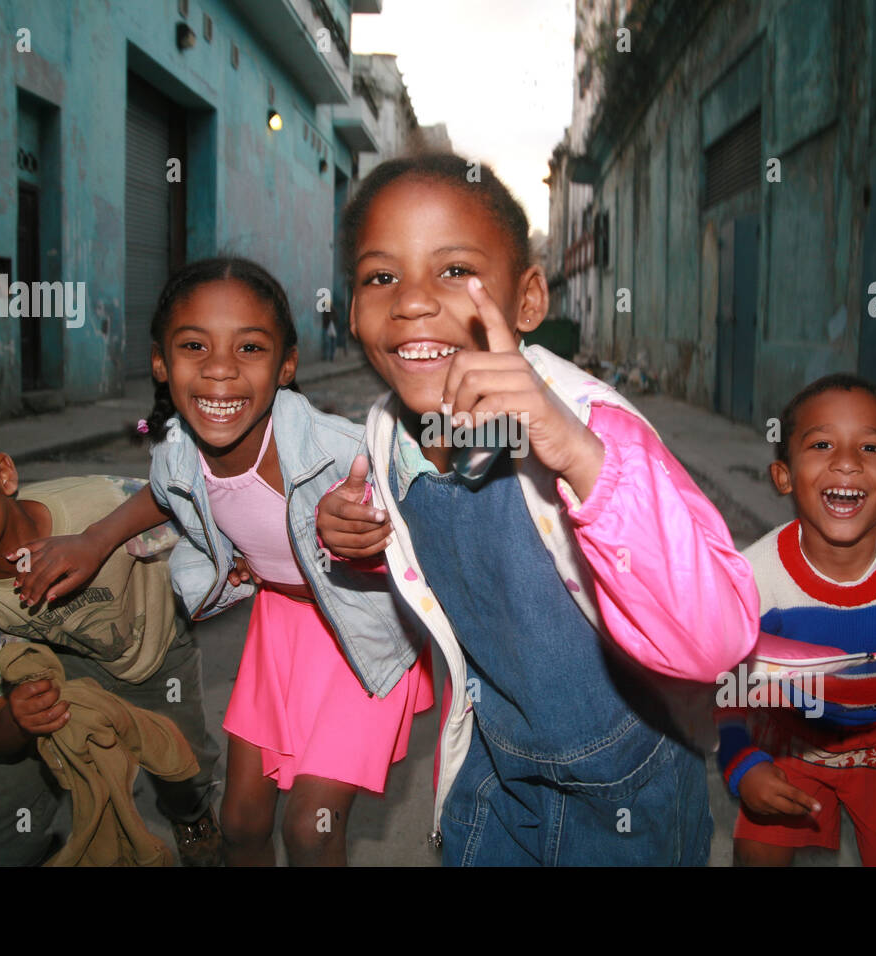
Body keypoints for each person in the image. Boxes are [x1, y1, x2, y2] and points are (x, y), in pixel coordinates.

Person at [316, 153, 759, 865]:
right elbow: (431, 548)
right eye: (380, 276)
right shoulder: (386, 430)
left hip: (630, 793)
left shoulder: (590, 426)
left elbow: (717, 639)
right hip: (496, 769)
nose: (412, 301)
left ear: (527, 301)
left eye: (454, 269)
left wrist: (581, 457)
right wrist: (358, 539)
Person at [15, 257, 433, 866]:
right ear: (161, 362)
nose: (219, 369)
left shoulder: (344, 452)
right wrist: (94, 540)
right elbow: (162, 495)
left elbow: (430, 509)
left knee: (311, 831)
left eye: (250, 348)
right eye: (193, 345)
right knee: (238, 825)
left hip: (362, 627)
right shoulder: (177, 450)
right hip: (279, 631)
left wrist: (372, 533)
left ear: (286, 365)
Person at [0, 402, 222, 866]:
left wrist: (101, 539)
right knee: (7, 818)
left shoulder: (98, 506)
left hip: (155, 651)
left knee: (185, 767)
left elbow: (200, 508)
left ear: (3, 476)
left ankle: (191, 816)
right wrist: (18, 718)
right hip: (65, 663)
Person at [719, 373, 876, 867]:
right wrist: (741, 762)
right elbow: (727, 682)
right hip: (791, 734)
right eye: (821, 443)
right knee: (755, 852)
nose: (846, 462)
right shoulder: (752, 578)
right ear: (783, 476)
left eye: (871, 449)